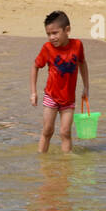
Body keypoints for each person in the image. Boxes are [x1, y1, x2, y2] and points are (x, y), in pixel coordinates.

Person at [30, 11, 89, 154]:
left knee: (65, 132)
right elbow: (35, 66)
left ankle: (65, 163)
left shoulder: (77, 45)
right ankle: (42, 159)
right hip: (51, 96)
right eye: (48, 34)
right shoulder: (47, 48)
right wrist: (33, 92)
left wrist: (86, 86)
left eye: (55, 33)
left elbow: (82, 63)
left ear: (67, 30)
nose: (52, 37)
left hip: (69, 99)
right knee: (48, 130)